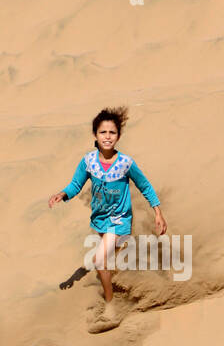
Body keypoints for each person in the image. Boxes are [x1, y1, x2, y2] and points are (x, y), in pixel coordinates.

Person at [47, 106, 166, 330]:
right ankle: (117, 276)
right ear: (95, 135)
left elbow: (145, 186)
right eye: (103, 132)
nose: (107, 137)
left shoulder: (126, 163)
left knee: (100, 260)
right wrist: (63, 194)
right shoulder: (89, 161)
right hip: (100, 220)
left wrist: (158, 212)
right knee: (108, 260)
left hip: (120, 221)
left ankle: (112, 308)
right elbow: (75, 185)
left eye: (112, 133)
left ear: (118, 136)